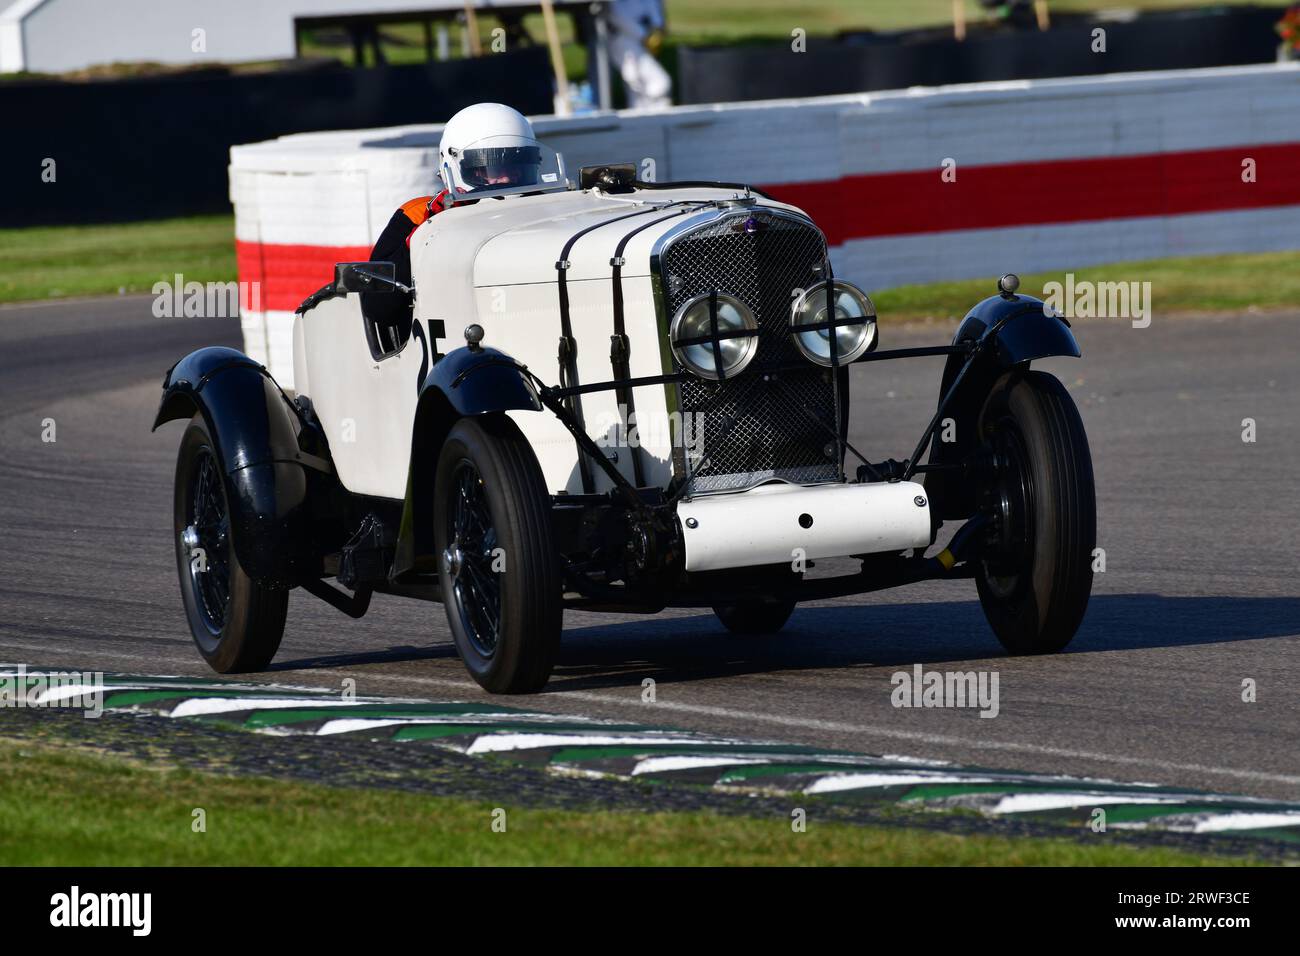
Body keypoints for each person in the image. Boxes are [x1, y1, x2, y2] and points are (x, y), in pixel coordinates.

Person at [363, 102, 543, 338]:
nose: (507, 178)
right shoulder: (418, 216)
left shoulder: (555, 208)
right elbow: (379, 310)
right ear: (458, 166)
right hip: (454, 346)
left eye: (516, 165)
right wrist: (422, 236)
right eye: (492, 169)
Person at [604, 0, 672, 110]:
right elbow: (617, 16)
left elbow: (657, 19)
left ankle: (649, 120)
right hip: (624, 43)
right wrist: (644, 36)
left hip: (643, 42)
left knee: (639, 91)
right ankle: (648, 119)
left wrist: (656, 31)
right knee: (660, 83)